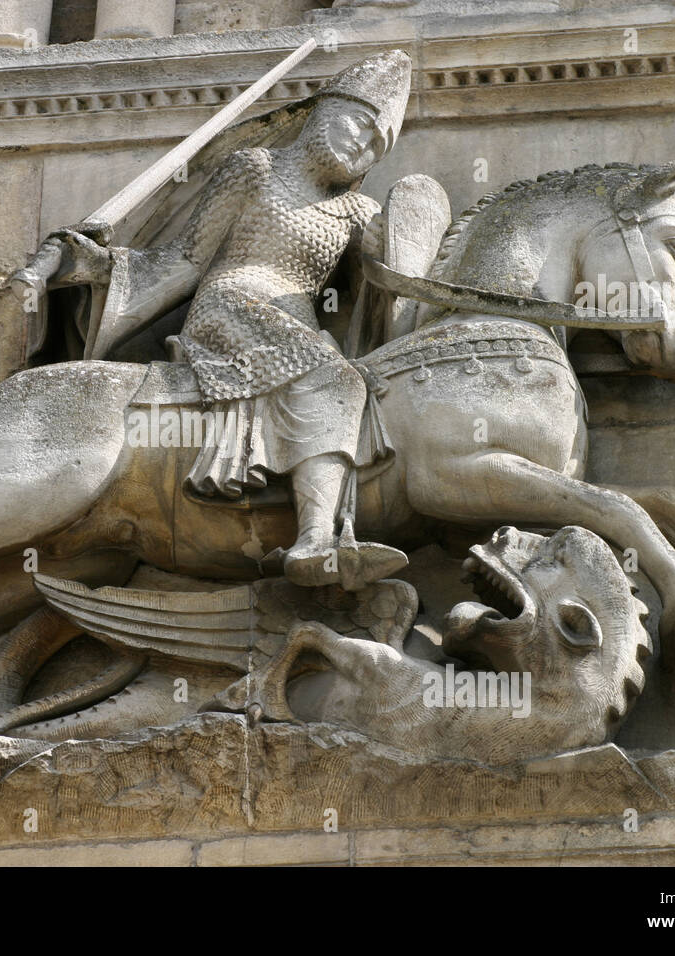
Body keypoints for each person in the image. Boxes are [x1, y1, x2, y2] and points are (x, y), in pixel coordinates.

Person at [48, 51, 411, 587]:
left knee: (353, 378)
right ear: (321, 113)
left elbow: (380, 292)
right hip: (231, 302)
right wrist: (99, 267)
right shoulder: (254, 169)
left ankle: (326, 526)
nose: (363, 144)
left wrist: (388, 250)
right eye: (359, 124)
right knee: (329, 371)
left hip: (298, 324)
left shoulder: (357, 212)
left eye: (376, 145)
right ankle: (313, 542)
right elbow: (187, 259)